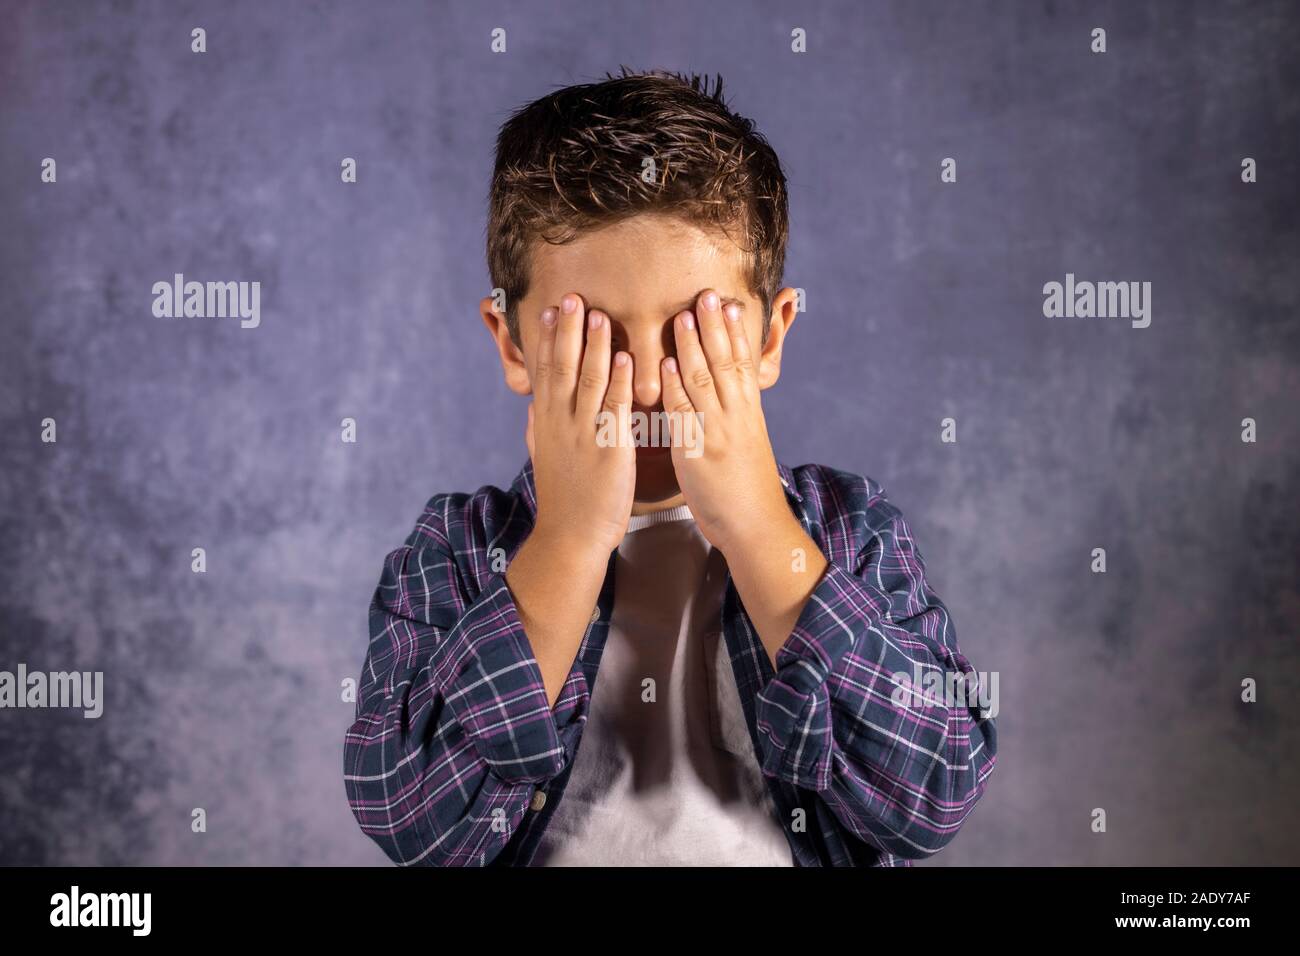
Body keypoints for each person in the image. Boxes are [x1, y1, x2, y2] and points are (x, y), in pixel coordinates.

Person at [343, 69, 997, 866]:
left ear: (769, 338)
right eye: (597, 339)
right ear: (513, 343)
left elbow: (935, 791)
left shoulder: (849, 531)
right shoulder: (453, 550)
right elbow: (410, 819)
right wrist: (572, 538)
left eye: (693, 329)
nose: (650, 382)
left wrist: (758, 527)